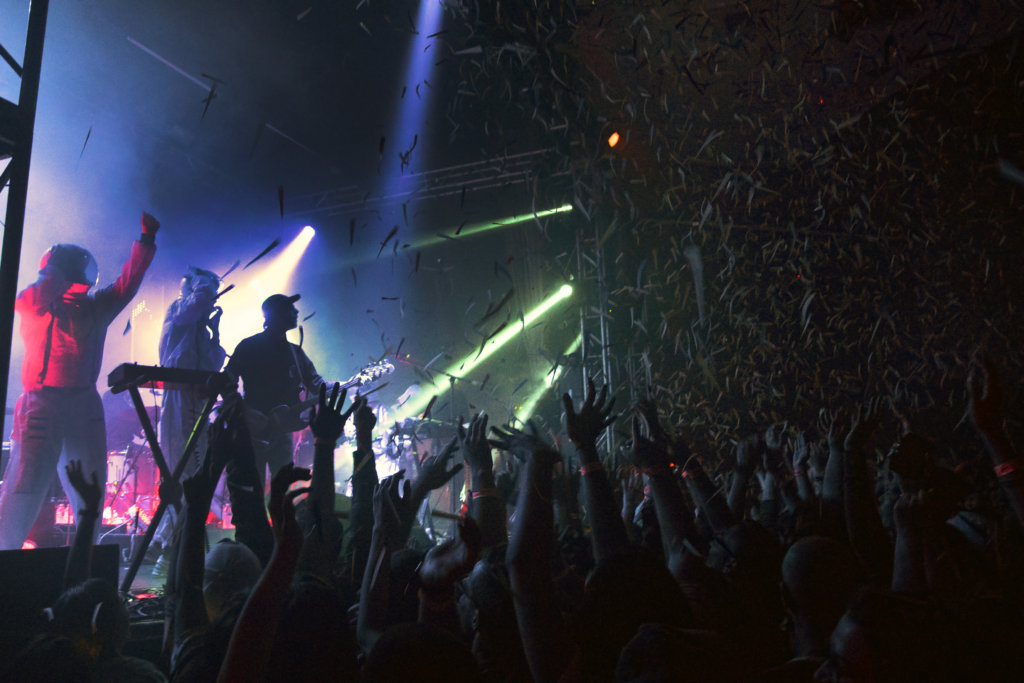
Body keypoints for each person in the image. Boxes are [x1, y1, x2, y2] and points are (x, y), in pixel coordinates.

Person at [0, 214, 159, 550]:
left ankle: (85, 566)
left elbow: (127, 284)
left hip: (79, 404)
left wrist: (145, 242)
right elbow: (123, 286)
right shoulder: (36, 305)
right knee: (24, 489)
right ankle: (6, 558)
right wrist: (145, 241)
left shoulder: (92, 307)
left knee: (89, 491)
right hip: (44, 403)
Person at [225, 293, 327, 489]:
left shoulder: (295, 353)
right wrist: (244, 411)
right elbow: (227, 379)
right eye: (290, 308)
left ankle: (280, 520)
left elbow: (316, 382)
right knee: (250, 488)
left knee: (282, 492)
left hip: (283, 431)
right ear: (276, 314)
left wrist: (346, 384)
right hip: (252, 431)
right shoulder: (250, 346)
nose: (296, 311)